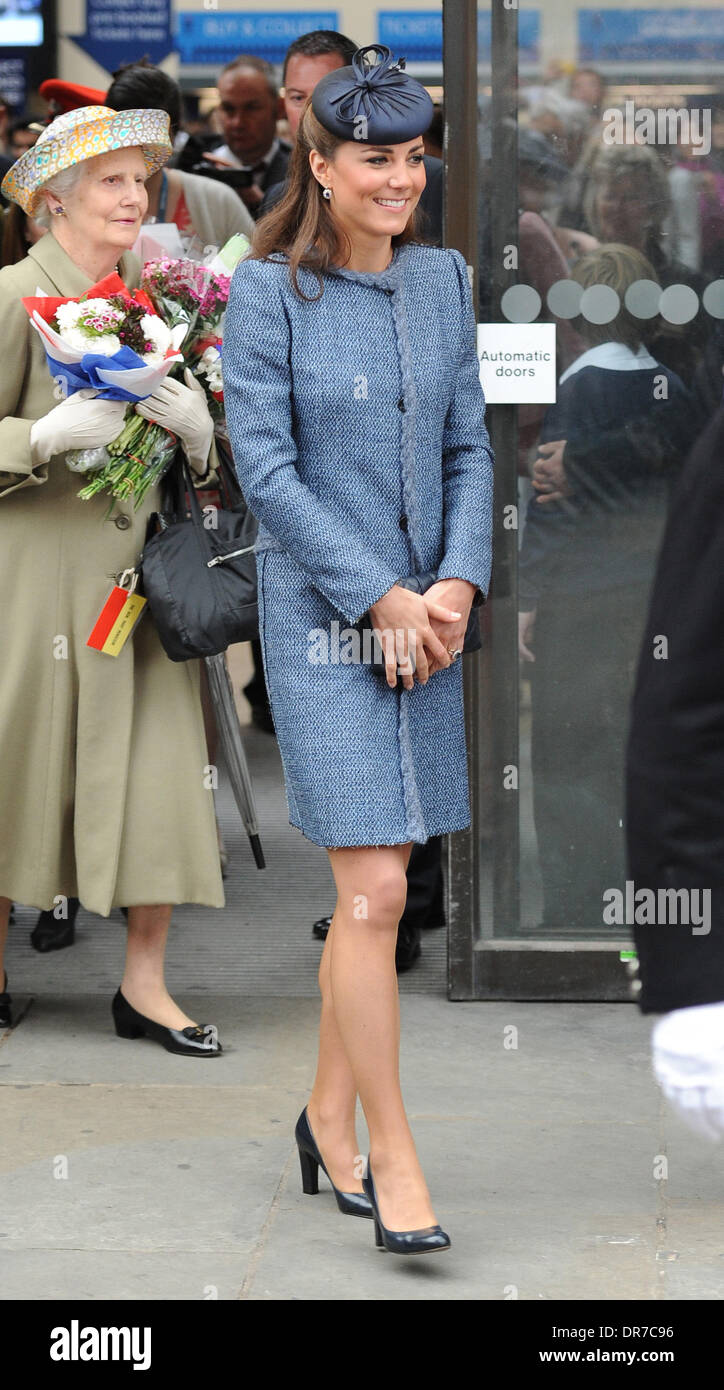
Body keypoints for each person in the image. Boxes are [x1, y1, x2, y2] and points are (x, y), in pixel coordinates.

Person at [223, 44, 493, 1253]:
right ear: (319, 167)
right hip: (325, 623)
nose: (401, 180)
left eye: (412, 156)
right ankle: (394, 1156)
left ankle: (326, 1114)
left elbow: (470, 448)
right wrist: (377, 592)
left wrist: (455, 581)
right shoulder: (266, 291)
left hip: (427, 624)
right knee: (374, 890)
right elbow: (266, 476)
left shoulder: (443, 279)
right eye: (374, 160)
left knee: (371, 906)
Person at [0, 105, 224, 1054]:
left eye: (142, 180)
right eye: (113, 181)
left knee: (159, 781)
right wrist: (41, 437)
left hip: (141, 586)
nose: (137, 196)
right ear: (55, 202)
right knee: (14, 772)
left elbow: (208, 459)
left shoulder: (166, 303)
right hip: (31, 582)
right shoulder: (14, 294)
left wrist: (204, 438)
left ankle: (144, 988)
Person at [518, 244, 690, 933]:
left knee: (567, 756)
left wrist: (528, 598)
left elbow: (552, 509)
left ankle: (571, 907)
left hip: (579, 600)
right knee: (633, 751)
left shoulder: (578, 386)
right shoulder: (672, 390)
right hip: (649, 596)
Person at [106, 61, 254, 247]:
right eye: (129, 135)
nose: (140, 147)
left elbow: (258, 271)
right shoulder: (84, 203)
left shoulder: (218, 202)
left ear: (174, 135)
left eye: (152, 135)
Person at [200, 56, 291, 220]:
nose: (238, 122)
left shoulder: (303, 173)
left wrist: (261, 203)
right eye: (228, 109)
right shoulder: (197, 168)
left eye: (251, 108)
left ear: (278, 109)